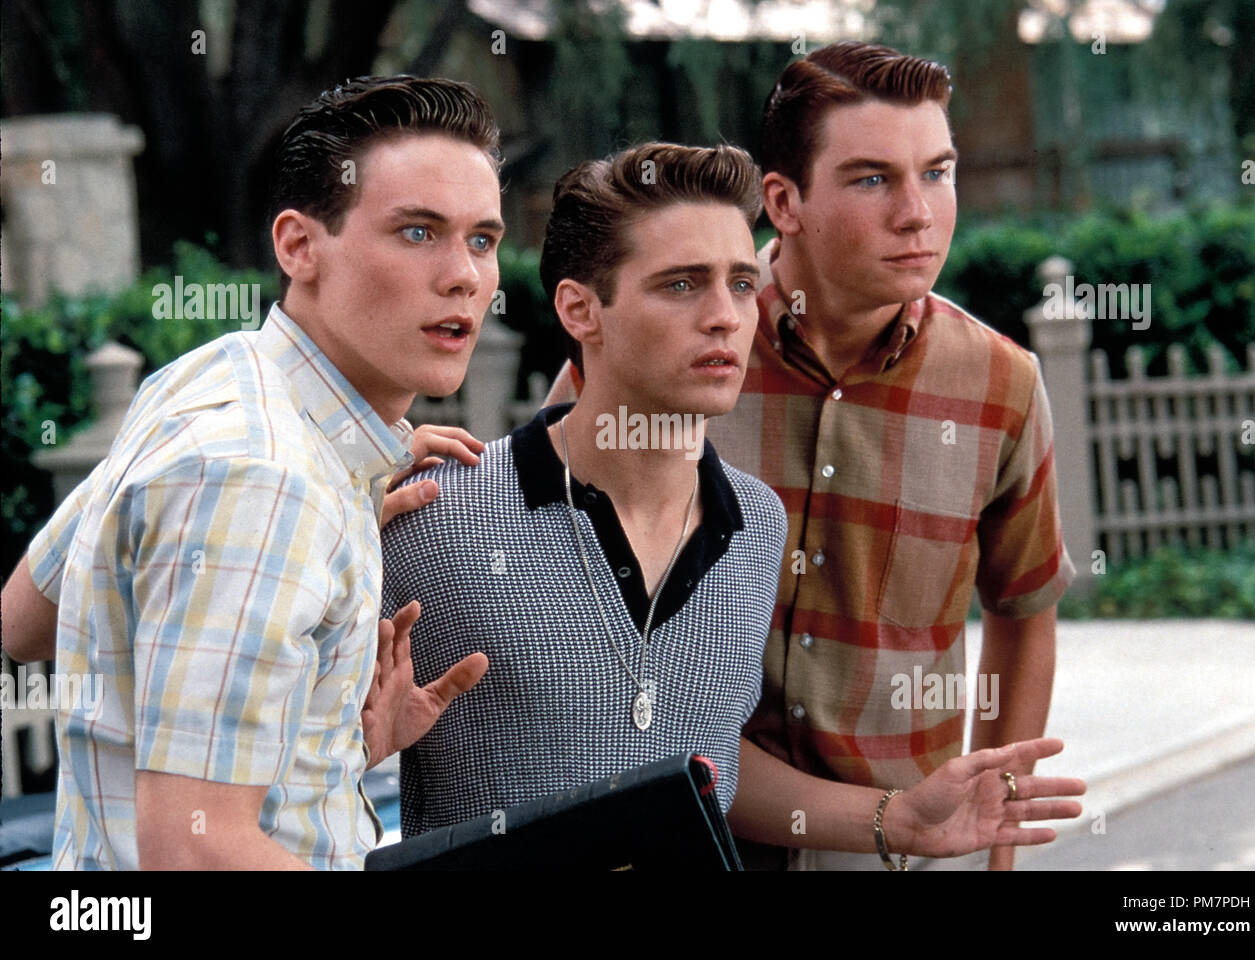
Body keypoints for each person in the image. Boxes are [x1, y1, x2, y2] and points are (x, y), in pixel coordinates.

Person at [387, 141, 1085, 866]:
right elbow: (285, 754)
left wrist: (897, 819)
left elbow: (710, 764)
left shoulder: (756, 526)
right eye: (682, 285)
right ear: (581, 310)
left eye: (742, 284)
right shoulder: (433, 515)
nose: (725, 316)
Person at [547, 43, 1077, 870]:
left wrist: (996, 851)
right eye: (873, 179)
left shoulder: (1001, 384)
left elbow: (1023, 610)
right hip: (687, 833)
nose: (918, 213)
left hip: (903, 841)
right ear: (784, 200)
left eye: (937, 172)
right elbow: (538, 524)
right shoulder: (668, 341)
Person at [0, 76, 502, 869]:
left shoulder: (213, 377)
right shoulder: (269, 479)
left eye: (482, 239)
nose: (465, 276)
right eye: (417, 232)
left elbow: (25, 623)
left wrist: (327, 738)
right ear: (299, 246)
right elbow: (192, 849)